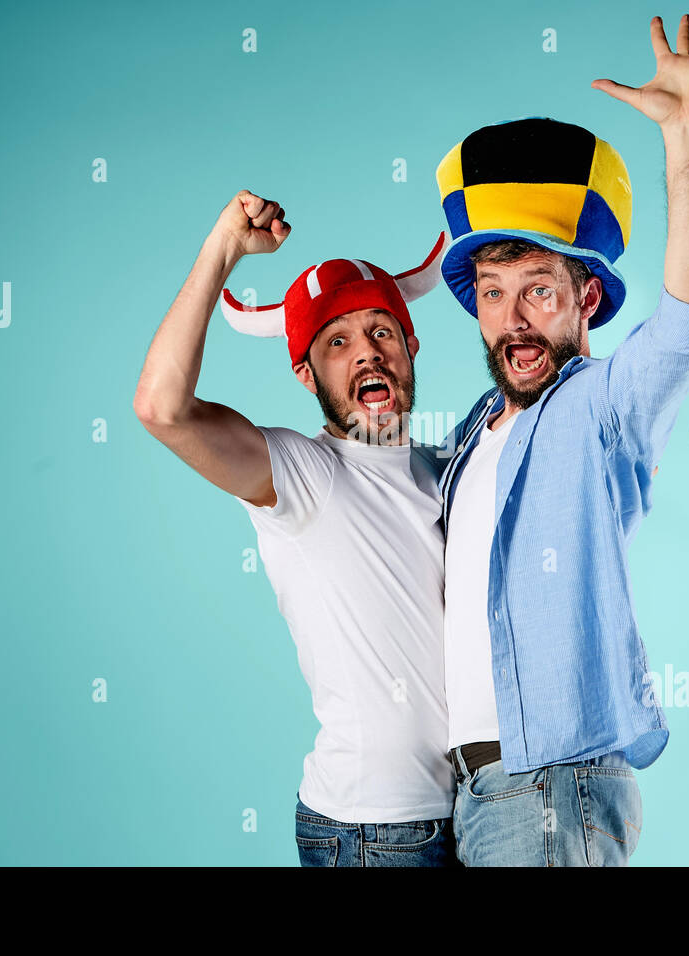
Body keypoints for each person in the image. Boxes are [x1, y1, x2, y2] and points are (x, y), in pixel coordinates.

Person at [434, 14, 689, 866]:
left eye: (539, 288)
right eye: (493, 293)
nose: (513, 318)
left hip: (550, 787)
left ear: (588, 302)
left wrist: (688, 137)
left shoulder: (600, 407)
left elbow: (686, 325)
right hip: (467, 796)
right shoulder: (471, 436)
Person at [133, 189, 458, 866]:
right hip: (374, 834)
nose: (366, 353)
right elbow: (163, 409)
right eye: (336, 342)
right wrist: (223, 249)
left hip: (469, 816)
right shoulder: (302, 474)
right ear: (306, 373)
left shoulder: (446, 469)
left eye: (381, 332)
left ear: (411, 345)